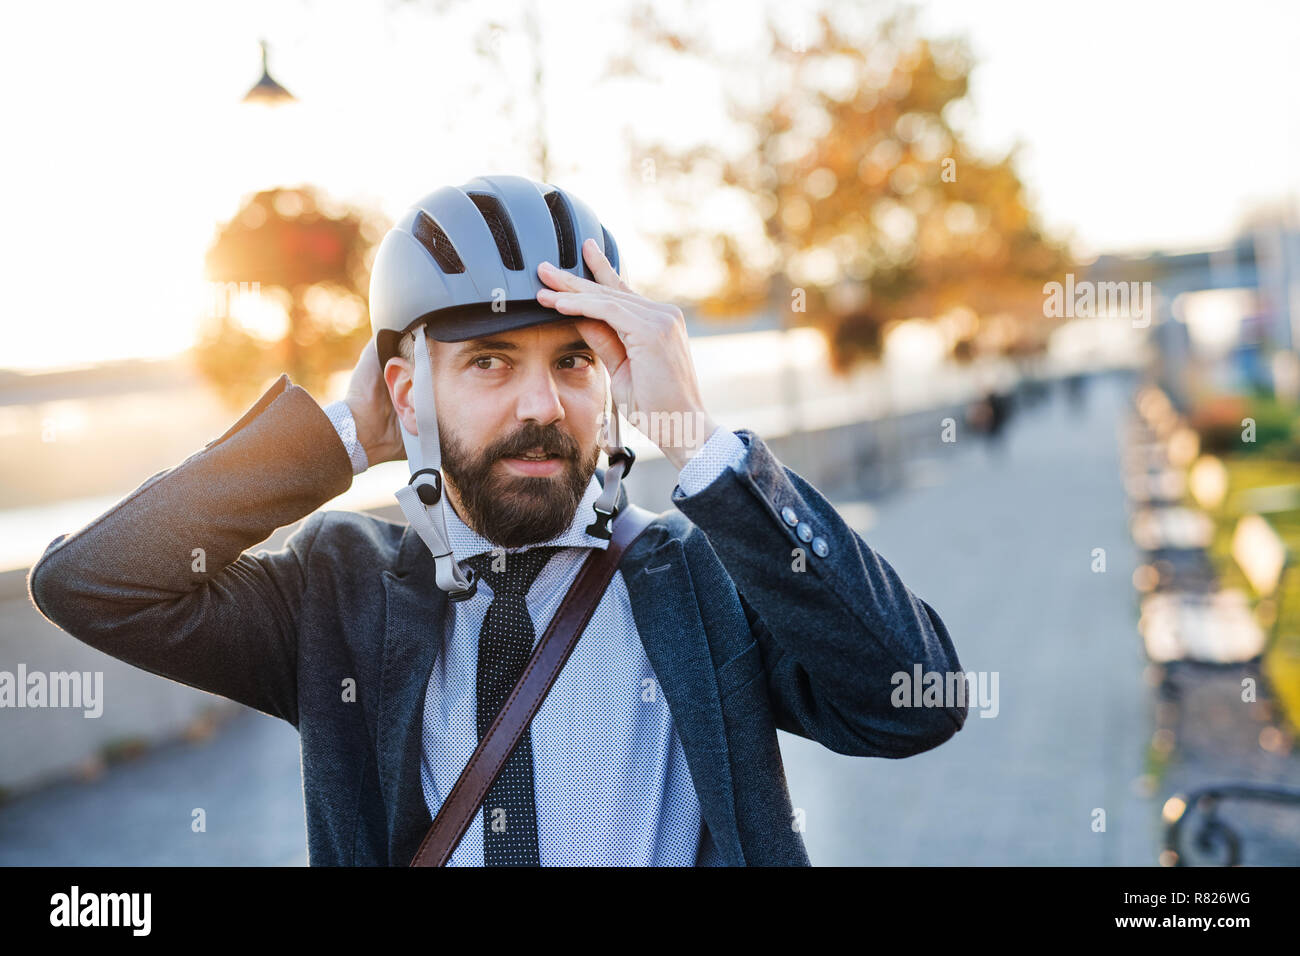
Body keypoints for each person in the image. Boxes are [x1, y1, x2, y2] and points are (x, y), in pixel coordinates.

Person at [27, 174, 967, 866]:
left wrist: (700, 442)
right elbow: (94, 585)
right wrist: (346, 437)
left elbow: (912, 699)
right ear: (410, 391)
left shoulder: (703, 573)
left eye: (572, 361)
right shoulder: (338, 593)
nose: (542, 405)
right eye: (489, 363)